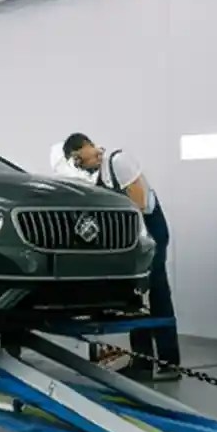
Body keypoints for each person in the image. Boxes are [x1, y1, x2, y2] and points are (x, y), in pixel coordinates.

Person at [54, 132, 180, 382]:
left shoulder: (119, 161)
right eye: (76, 162)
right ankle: (142, 361)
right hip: (132, 237)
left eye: (79, 158)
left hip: (150, 232)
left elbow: (139, 203)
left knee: (156, 291)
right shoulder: (99, 177)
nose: (80, 164)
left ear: (88, 146)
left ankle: (169, 362)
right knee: (135, 297)